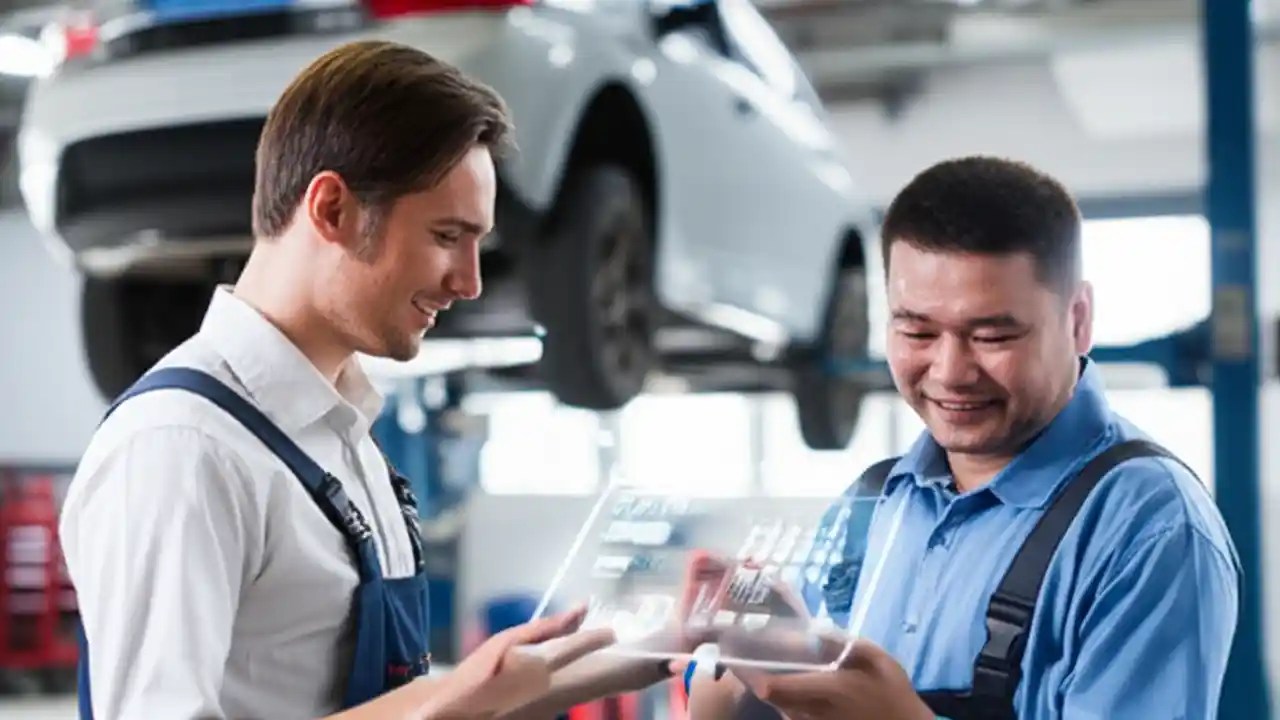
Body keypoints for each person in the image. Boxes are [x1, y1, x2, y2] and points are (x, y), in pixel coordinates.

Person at [58, 40, 671, 720]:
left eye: (478, 243)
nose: (471, 282)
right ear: (332, 210)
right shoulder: (183, 449)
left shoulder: (342, 436)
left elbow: (415, 703)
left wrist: (672, 644)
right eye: (447, 236)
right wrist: (443, 709)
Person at [687, 156, 1241, 720]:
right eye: (917, 331)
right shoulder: (873, 504)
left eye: (993, 335)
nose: (950, 372)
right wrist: (733, 676)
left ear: (1078, 320)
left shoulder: (1149, 529)